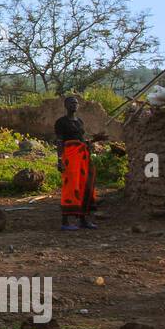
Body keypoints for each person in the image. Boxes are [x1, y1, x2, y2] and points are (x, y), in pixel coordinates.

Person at [54, 95, 97, 230]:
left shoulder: (80, 122)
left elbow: (82, 140)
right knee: (70, 186)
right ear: (66, 106)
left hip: (82, 157)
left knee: (84, 186)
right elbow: (60, 142)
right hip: (70, 157)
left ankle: (83, 220)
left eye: (76, 103)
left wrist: (94, 141)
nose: (75, 105)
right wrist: (60, 160)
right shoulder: (61, 122)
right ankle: (65, 222)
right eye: (72, 103)